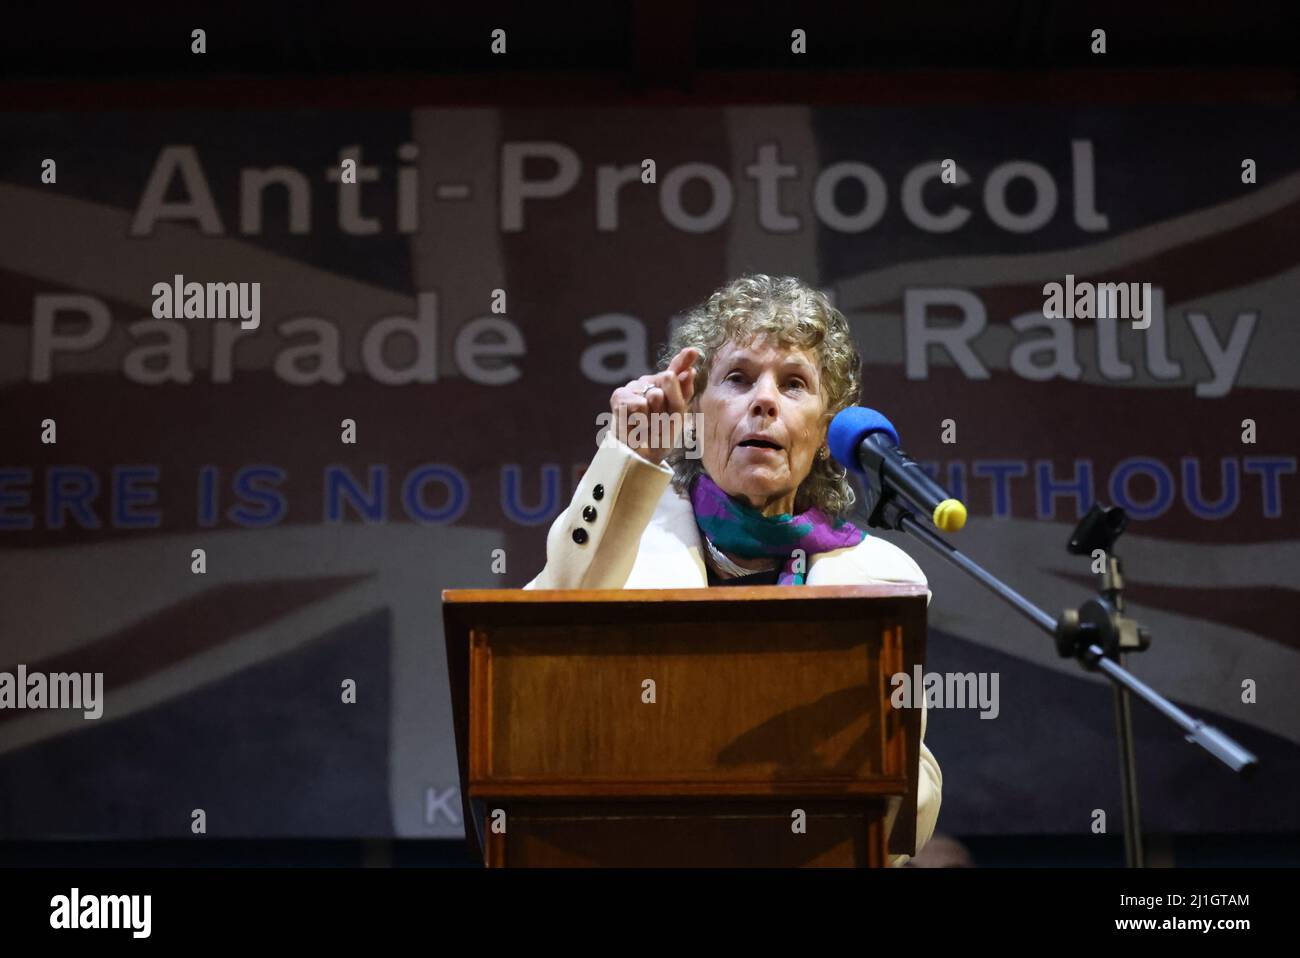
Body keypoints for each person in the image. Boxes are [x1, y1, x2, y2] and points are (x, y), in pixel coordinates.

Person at [525, 273, 941, 865]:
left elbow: (908, 783)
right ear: (696, 414)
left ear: (825, 434)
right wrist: (627, 456)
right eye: (738, 378)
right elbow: (548, 624)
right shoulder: (629, 541)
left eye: (794, 384)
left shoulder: (880, 577)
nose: (764, 400)